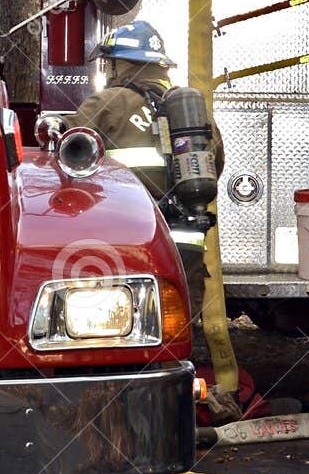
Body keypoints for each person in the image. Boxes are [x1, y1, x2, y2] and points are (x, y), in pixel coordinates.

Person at [70, 20, 224, 322]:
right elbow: (215, 164)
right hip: (186, 236)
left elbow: (66, 149)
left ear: (120, 65)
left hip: (126, 234)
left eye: (110, 64)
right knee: (177, 315)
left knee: (123, 315)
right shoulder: (191, 111)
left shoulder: (108, 102)